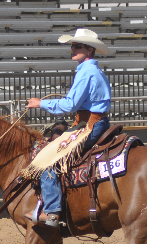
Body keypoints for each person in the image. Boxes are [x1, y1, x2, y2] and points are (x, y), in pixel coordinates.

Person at [25, 28, 112, 227]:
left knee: (49, 160)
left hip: (89, 125)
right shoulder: (92, 70)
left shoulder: (87, 72)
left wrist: (41, 104)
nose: (73, 49)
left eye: (78, 46)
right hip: (93, 121)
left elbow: (70, 105)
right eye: (73, 45)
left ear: (90, 49)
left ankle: (52, 212)